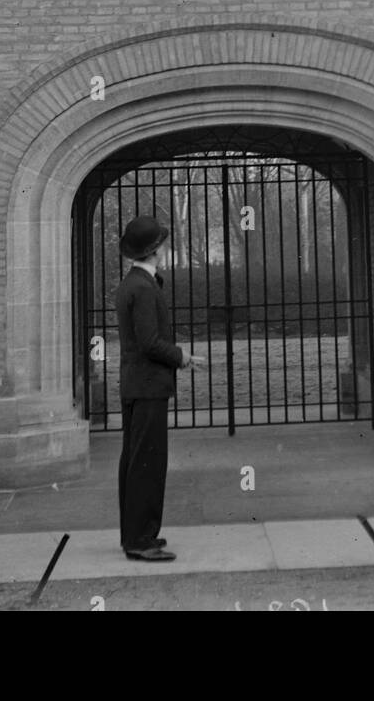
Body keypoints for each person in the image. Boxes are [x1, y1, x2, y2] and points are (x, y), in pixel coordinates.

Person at [115, 215, 204, 562]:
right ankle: (141, 539)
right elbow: (149, 342)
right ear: (154, 250)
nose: (165, 250)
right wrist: (183, 357)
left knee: (135, 461)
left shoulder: (134, 283)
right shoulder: (142, 287)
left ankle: (135, 534)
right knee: (147, 465)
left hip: (138, 384)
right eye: (162, 245)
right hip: (148, 385)